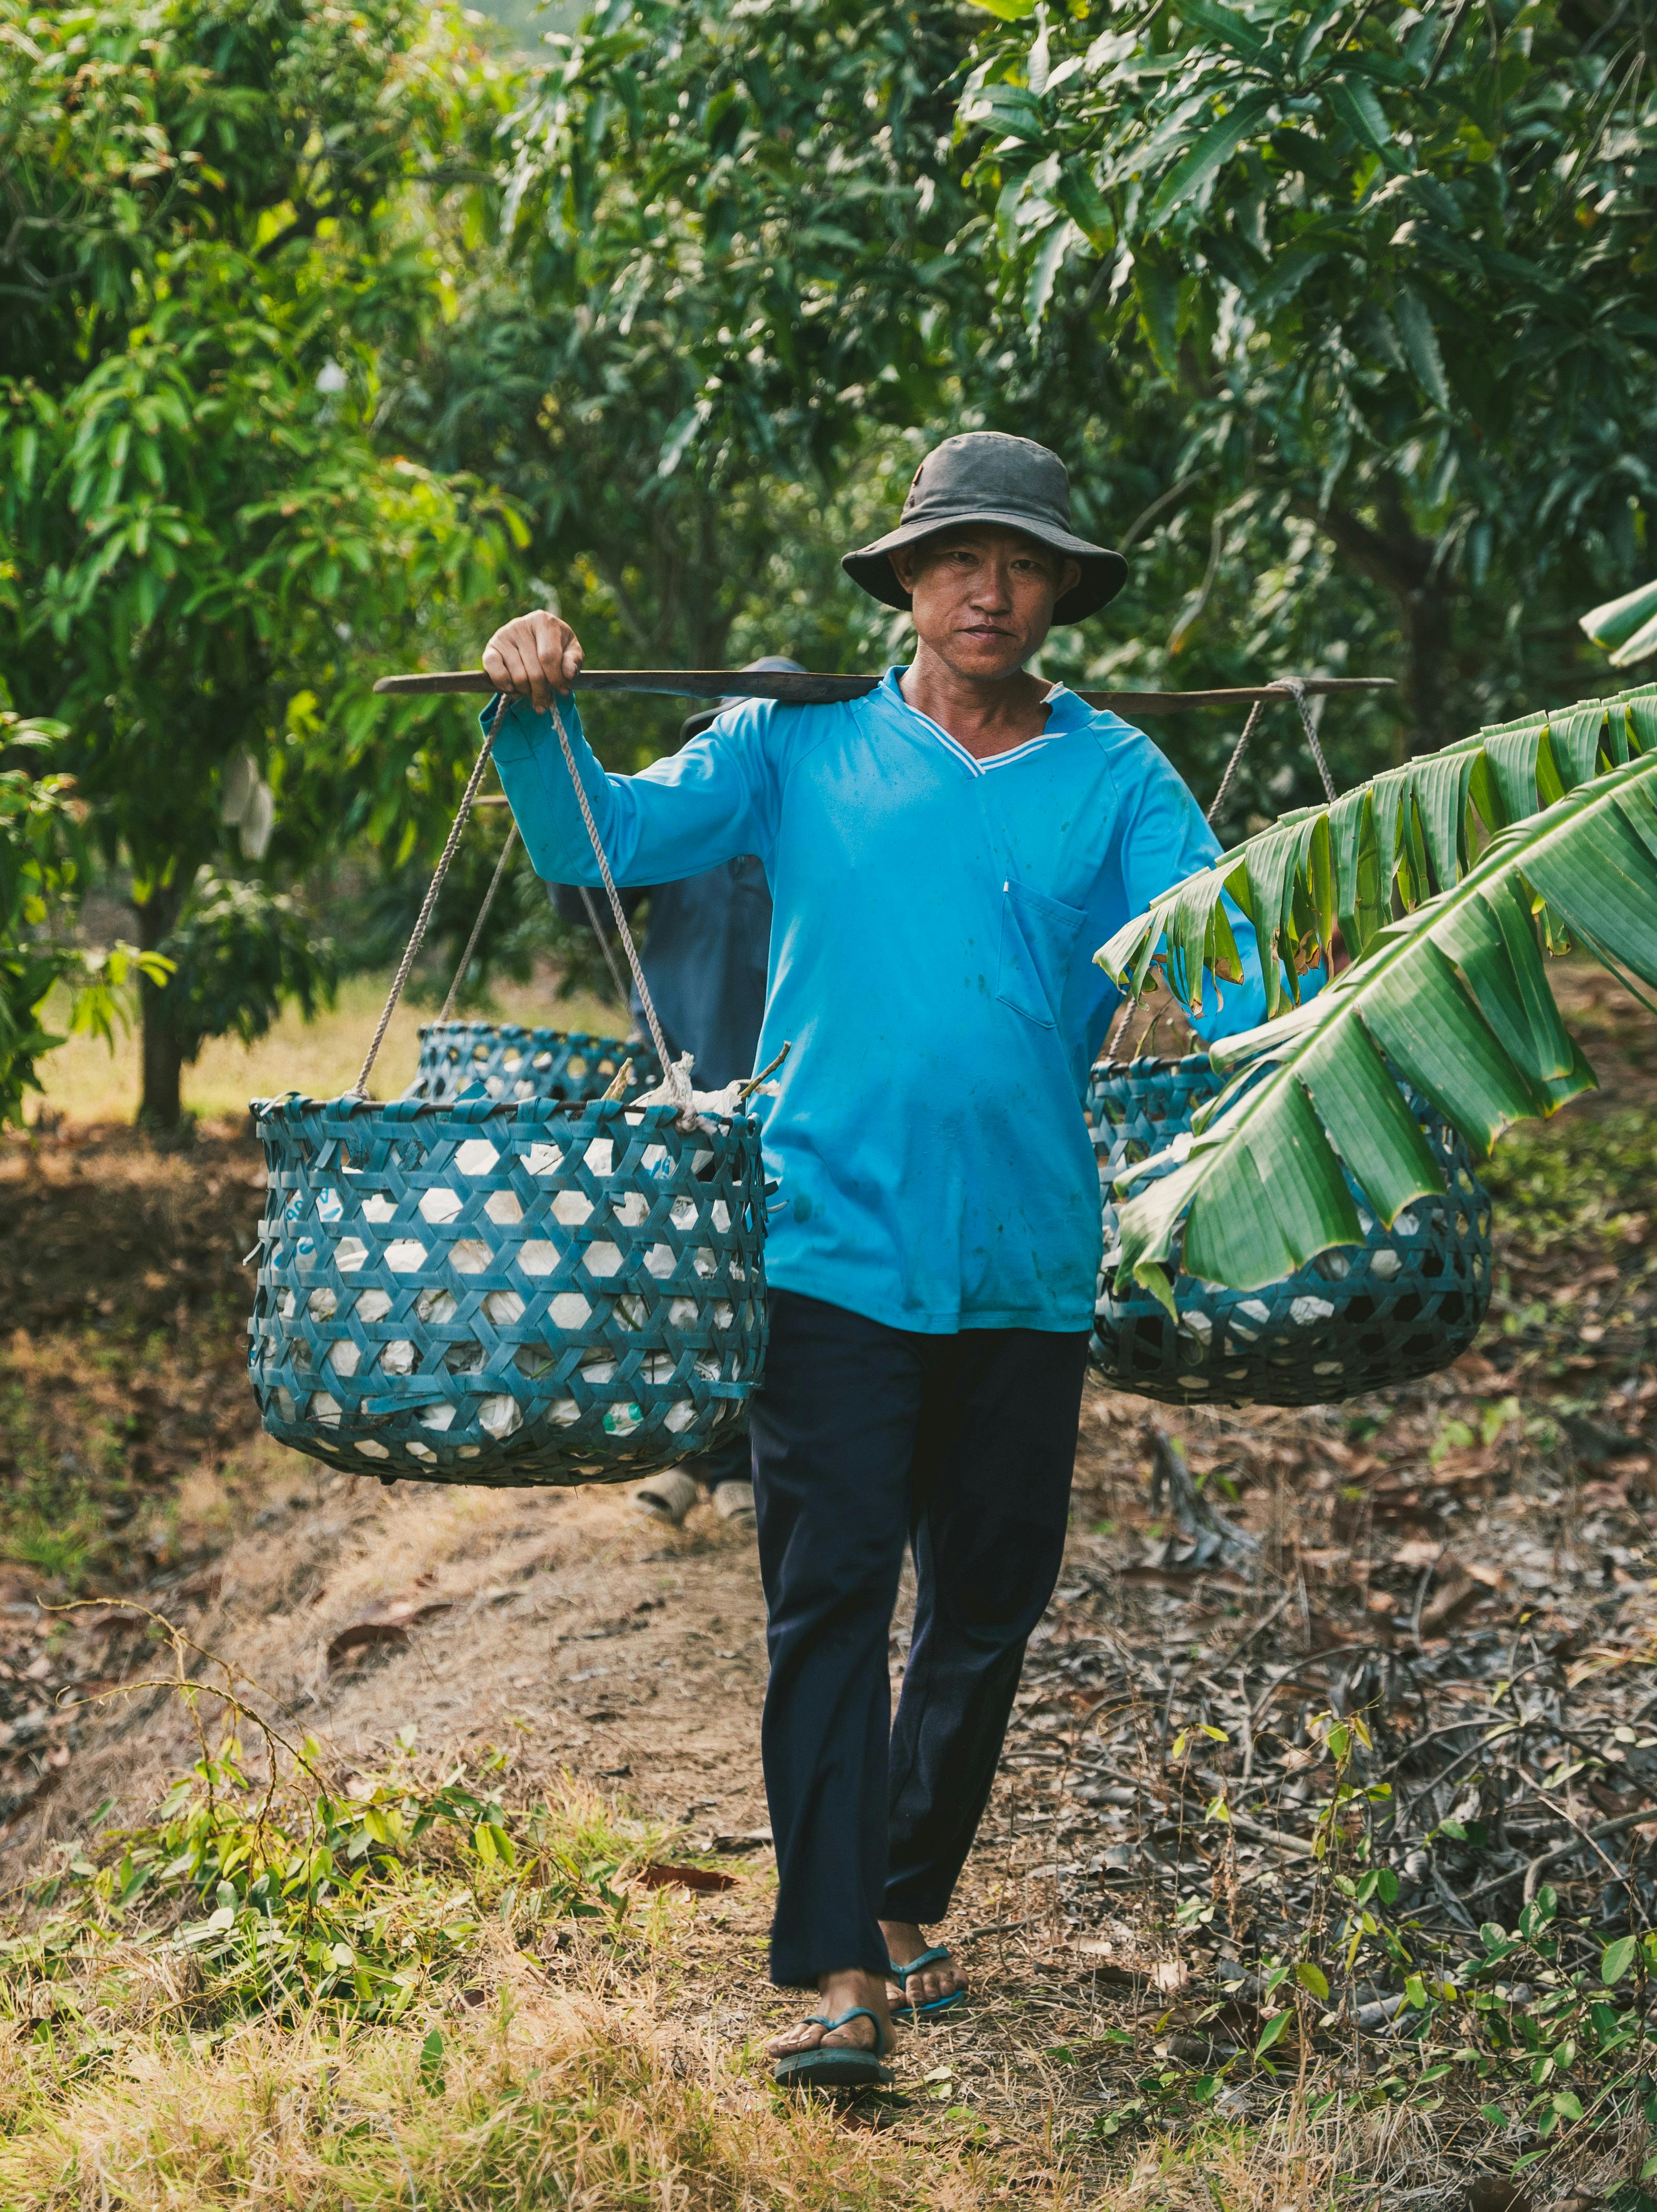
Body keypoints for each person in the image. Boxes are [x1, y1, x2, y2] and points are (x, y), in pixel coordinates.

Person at [480, 432, 1256, 2092]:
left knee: (984, 1608)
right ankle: (836, 1967)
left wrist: (1338, 922)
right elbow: (597, 844)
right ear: (905, 580)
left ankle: (904, 1898)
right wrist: (536, 709)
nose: (990, 589)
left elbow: (1232, 964)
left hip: (1028, 1266)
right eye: (960, 558)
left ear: (1059, 593)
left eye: (1025, 563)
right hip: (829, 1250)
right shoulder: (796, 740)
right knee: (827, 1607)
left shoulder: (1116, 778)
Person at [549, 658, 801, 1536]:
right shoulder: (687, 825)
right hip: (677, 1076)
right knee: (677, 1272)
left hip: (793, 1087)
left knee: (776, 1278)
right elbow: (589, 900)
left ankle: (752, 1464)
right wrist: (574, 801)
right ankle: (698, 1457)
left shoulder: (818, 832)